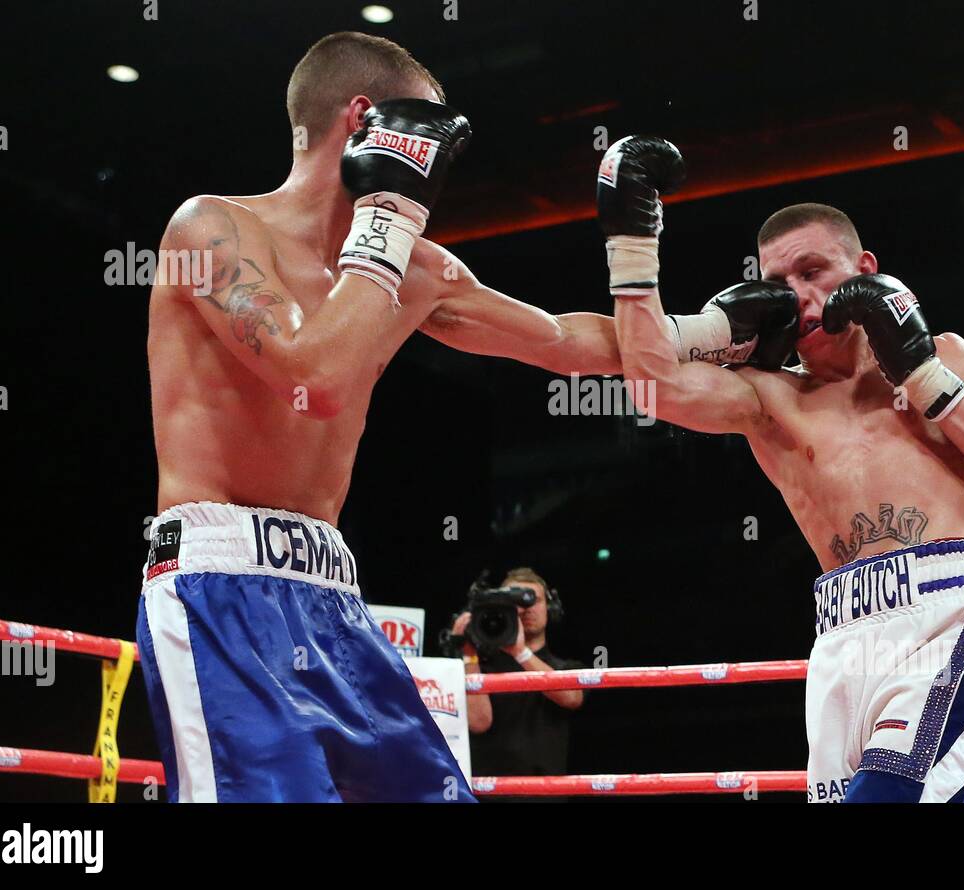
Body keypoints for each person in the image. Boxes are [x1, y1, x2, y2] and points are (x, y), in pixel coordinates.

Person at [138, 32, 623, 803]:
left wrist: (707, 331)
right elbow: (316, 377)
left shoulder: (416, 267)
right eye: (426, 133)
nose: (438, 170)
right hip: (221, 592)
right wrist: (389, 214)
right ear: (369, 121)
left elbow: (567, 342)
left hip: (332, 595)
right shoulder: (209, 230)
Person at [598, 136, 964, 803]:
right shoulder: (771, 395)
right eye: (778, 285)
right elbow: (651, 383)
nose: (799, 296)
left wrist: (921, 372)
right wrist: (632, 238)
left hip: (953, 614)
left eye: (813, 271)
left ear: (864, 266)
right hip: (842, 639)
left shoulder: (944, 353)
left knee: (889, 793)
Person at [452, 569, 585, 797]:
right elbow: (479, 722)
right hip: (487, 794)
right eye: (516, 601)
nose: (527, 608)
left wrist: (520, 652)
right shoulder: (479, 667)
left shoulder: (567, 668)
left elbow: (571, 697)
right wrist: (468, 653)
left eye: (534, 599)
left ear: (549, 608)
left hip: (544, 797)